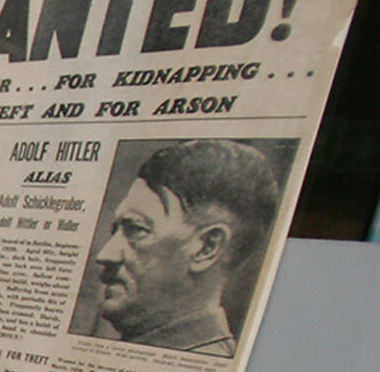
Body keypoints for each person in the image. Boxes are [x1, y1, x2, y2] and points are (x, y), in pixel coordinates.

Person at [90, 139, 280, 357]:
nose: (105, 255)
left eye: (136, 229)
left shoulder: (208, 361)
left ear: (206, 248)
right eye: (114, 231)